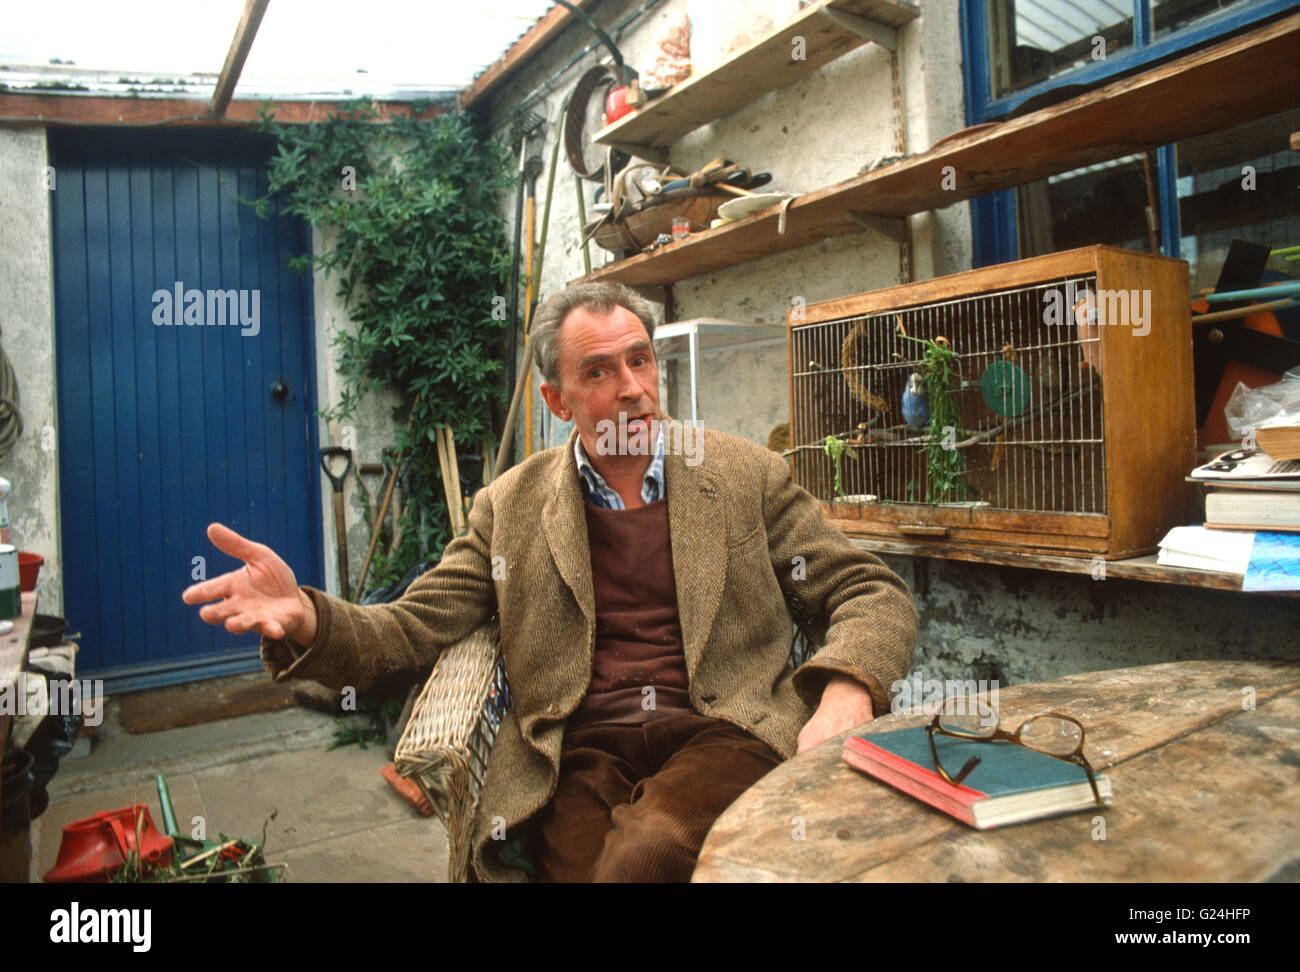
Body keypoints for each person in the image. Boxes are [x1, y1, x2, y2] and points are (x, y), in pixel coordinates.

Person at [183, 281, 917, 882]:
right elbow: (410, 628)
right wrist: (308, 616)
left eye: (640, 360)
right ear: (557, 401)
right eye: (599, 371)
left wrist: (846, 687)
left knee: (647, 852)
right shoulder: (510, 507)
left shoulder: (742, 473)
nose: (632, 389)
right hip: (578, 752)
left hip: (725, 731)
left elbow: (867, 591)